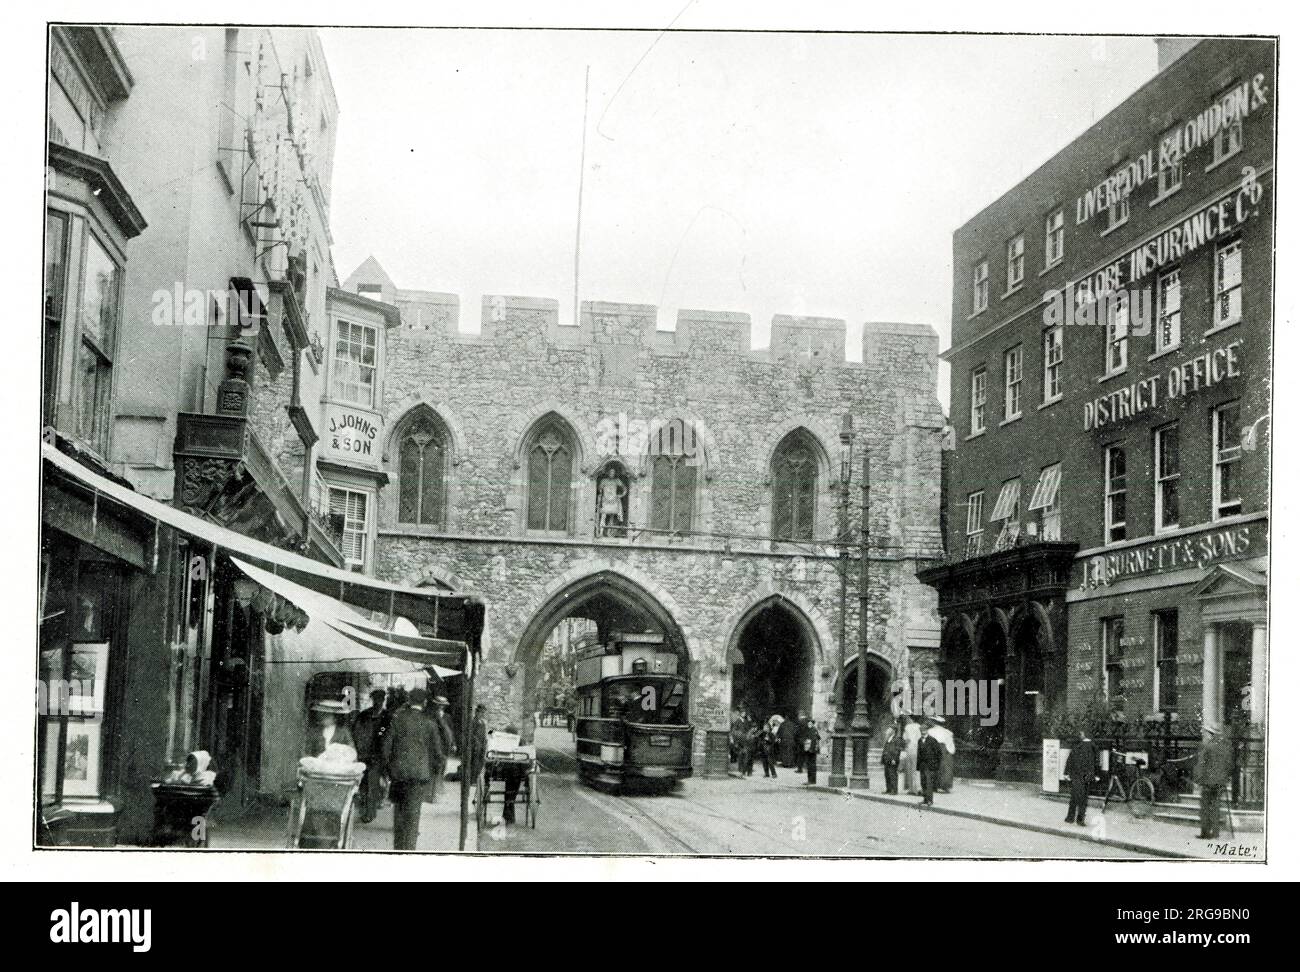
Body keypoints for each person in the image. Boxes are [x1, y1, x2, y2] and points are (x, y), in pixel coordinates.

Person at [382, 688, 443, 850]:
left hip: (398, 775)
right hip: (419, 777)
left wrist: (388, 770)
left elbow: (386, 747)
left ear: (409, 700)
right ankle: (409, 852)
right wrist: (433, 771)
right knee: (413, 817)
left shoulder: (397, 720)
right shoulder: (430, 723)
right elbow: (438, 753)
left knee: (399, 815)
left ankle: (398, 850)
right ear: (424, 703)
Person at [352, 690, 388, 823]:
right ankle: (366, 809)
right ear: (373, 700)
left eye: (381, 699)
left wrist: (379, 734)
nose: (378, 702)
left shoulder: (387, 717)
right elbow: (356, 731)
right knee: (363, 784)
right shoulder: (364, 715)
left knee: (372, 784)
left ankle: (369, 813)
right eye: (376, 699)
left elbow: (386, 733)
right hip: (363, 754)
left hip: (377, 755)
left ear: (383, 700)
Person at [1194, 724, 1232, 840]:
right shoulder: (1224, 747)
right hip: (1220, 782)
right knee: (1215, 807)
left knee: (1205, 807)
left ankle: (1205, 833)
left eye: (1205, 733)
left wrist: (1197, 781)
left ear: (1210, 734)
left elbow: (1201, 766)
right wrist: (1225, 778)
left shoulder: (1207, 746)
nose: (1204, 735)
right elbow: (1229, 765)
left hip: (1207, 782)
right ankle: (1215, 832)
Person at [427, 695, 456, 802]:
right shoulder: (431, 716)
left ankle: (438, 788)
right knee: (433, 767)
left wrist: (453, 743)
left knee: (442, 767)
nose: (440, 707)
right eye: (439, 705)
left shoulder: (447, 717)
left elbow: (451, 731)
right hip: (433, 745)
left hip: (444, 745)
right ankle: (432, 793)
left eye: (442, 706)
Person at [1063, 732, 1096, 826]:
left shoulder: (1076, 745)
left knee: (1074, 796)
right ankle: (1080, 819)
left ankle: (1070, 818)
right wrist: (1095, 775)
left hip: (1075, 774)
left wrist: (1066, 772)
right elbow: (1095, 762)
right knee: (1083, 798)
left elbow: (1070, 759)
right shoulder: (1093, 747)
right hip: (1086, 775)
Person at [917, 720, 943, 806]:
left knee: (929, 783)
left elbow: (939, 753)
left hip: (930, 765)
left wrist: (936, 765)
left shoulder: (932, 740)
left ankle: (930, 800)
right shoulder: (920, 740)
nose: (923, 732)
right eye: (921, 730)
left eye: (924, 730)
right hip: (922, 765)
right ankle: (925, 799)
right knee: (923, 782)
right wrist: (918, 765)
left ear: (927, 730)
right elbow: (919, 754)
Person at [731, 708, 755, 778]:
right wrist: (736, 739)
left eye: (745, 713)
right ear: (740, 714)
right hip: (740, 740)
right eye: (743, 713)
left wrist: (750, 722)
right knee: (742, 755)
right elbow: (734, 731)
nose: (744, 714)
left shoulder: (746, 721)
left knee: (747, 755)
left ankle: (746, 771)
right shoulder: (737, 721)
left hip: (746, 740)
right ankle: (741, 770)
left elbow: (749, 728)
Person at [901, 714, 922, 794]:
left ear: (910, 719)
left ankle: (911, 789)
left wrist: (904, 748)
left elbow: (906, 739)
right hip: (917, 749)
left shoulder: (907, 727)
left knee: (909, 769)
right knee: (916, 769)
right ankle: (918, 788)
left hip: (910, 749)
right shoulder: (919, 726)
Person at [881, 725, 902, 795]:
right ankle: (889, 789)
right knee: (887, 774)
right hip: (887, 759)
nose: (887, 730)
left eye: (889, 729)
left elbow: (897, 750)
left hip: (892, 760)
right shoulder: (888, 738)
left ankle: (894, 790)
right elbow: (886, 749)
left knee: (893, 774)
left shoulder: (897, 739)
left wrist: (894, 759)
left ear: (893, 731)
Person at [802, 718, 821, 785]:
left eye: (810, 723)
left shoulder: (813, 730)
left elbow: (815, 740)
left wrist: (811, 748)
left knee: (811, 765)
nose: (809, 725)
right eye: (808, 723)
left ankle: (812, 780)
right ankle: (810, 780)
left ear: (812, 724)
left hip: (812, 750)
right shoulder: (810, 730)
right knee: (809, 765)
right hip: (810, 750)